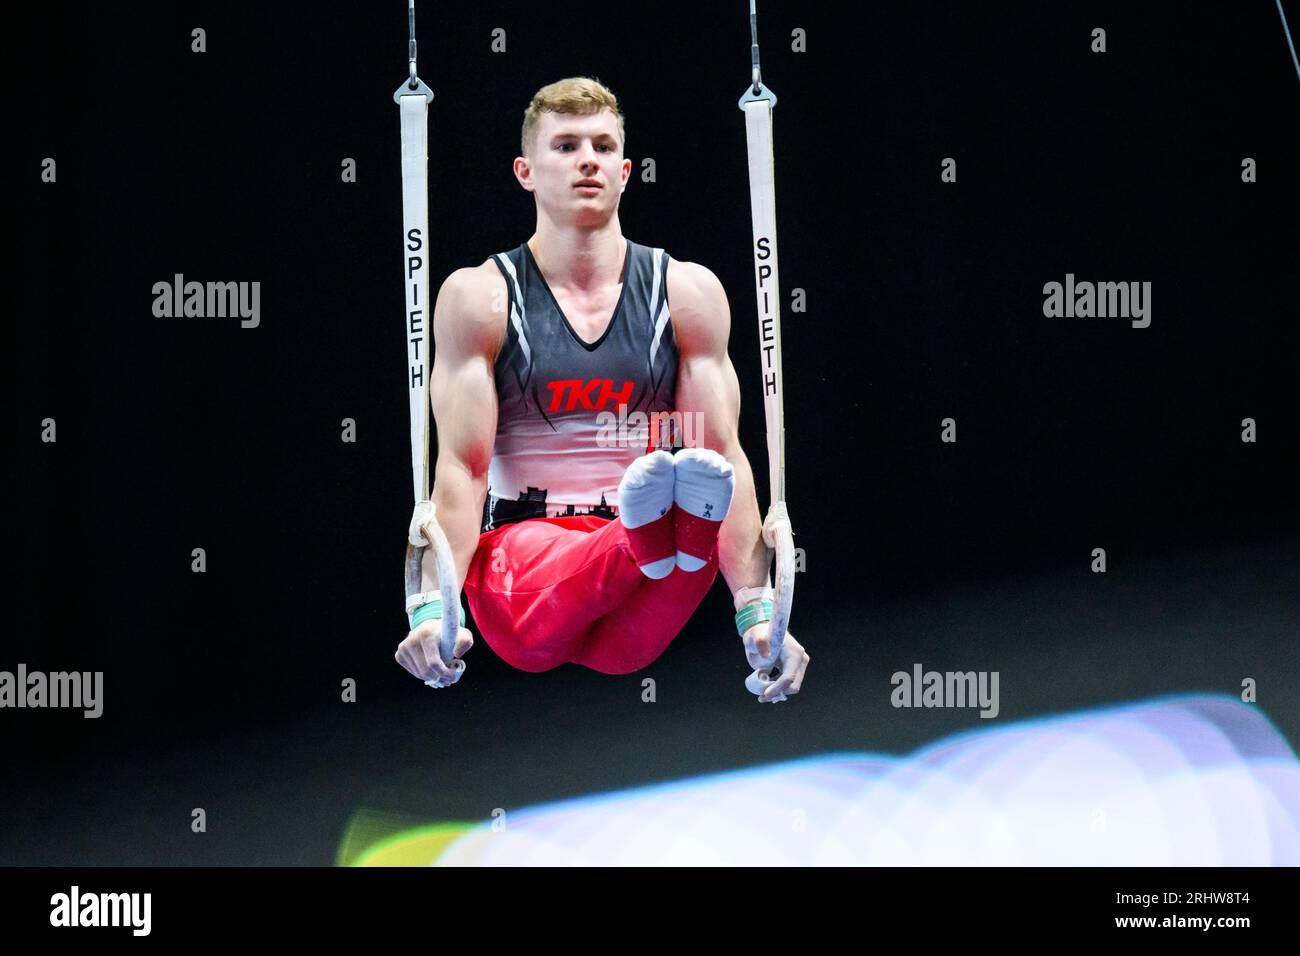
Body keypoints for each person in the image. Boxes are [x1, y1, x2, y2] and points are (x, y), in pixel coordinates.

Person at [394, 77, 809, 700]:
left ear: (625, 170)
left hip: (650, 579)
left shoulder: (686, 294)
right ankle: (650, 530)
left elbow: (725, 454)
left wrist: (758, 609)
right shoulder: (480, 298)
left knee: (699, 505)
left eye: (602, 145)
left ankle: (655, 530)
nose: (587, 158)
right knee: (671, 531)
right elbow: (461, 469)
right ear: (525, 171)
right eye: (565, 145)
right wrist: (431, 606)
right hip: (523, 564)